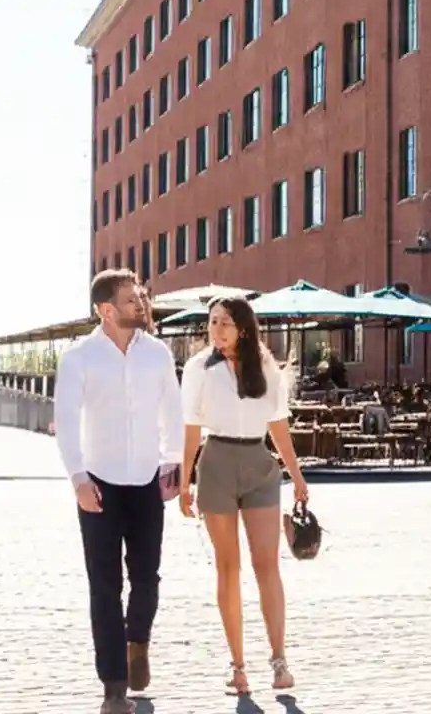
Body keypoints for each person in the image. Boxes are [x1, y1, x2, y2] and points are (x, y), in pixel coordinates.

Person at [53, 269, 183, 714]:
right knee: (104, 586)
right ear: (105, 310)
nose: (141, 305)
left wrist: (173, 462)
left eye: (141, 298)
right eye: (131, 300)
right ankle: (113, 686)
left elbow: (173, 409)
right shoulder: (79, 359)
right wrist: (77, 479)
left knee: (147, 578)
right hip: (99, 486)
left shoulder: (159, 355)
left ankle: (138, 641)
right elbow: (66, 421)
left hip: (147, 481)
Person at [179, 296, 310, 695]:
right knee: (228, 568)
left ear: (243, 328)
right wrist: (184, 482)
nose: (216, 330)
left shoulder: (267, 368)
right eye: (212, 321)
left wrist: (297, 475)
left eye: (224, 323)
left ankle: (279, 660)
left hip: (259, 464)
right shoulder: (198, 368)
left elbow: (278, 425)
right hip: (216, 463)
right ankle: (237, 666)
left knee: (267, 565)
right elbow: (191, 428)